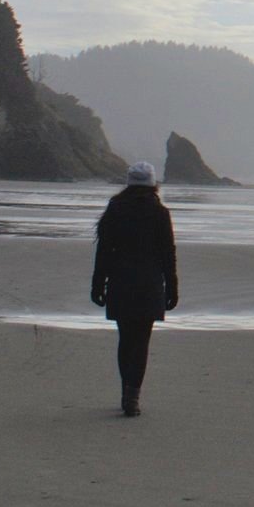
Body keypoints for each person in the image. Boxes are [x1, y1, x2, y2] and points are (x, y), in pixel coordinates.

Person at [91, 161, 179, 417]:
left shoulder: (116, 208)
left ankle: (126, 391)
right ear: (153, 184)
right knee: (142, 341)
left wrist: (98, 283)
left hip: (121, 281)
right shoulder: (160, 213)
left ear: (129, 182)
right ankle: (133, 395)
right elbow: (168, 253)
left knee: (126, 339)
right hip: (150, 283)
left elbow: (104, 250)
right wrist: (172, 286)